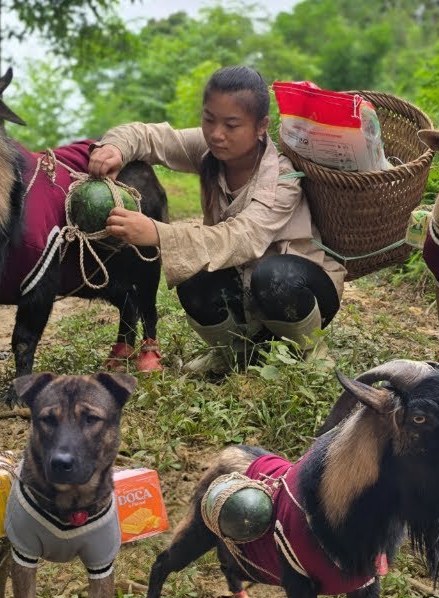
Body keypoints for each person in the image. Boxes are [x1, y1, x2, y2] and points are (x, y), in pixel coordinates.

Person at [87, 65, 344, 374]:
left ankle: (309, 348)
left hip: (302, 291)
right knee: (192, 273)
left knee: (272, 276)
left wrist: (158, 233)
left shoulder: (282, 178)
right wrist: (114, 147)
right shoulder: (210, 150)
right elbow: (149, 136)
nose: (216, 134)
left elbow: (240, 238)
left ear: (261, 126)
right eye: (209, 119)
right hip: (249, 296)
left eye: (231, 125)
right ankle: (235, 352)